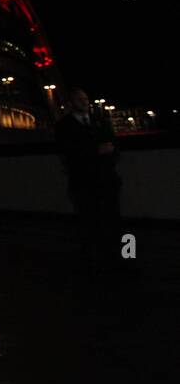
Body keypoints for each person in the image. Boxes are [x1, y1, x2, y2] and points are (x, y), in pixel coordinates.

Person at [55, 87, 123, 273]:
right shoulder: (63, 127)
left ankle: (113, 257)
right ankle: (94, 259)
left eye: (85, 99)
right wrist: (96, 152)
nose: (84, 102)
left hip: (106, 179)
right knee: (89, 219)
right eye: (79, 99)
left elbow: (114, 147)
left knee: (111, 217)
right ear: (71, 103)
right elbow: (68, 153)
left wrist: (109, 153)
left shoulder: (100, 121)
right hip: (84, 182)